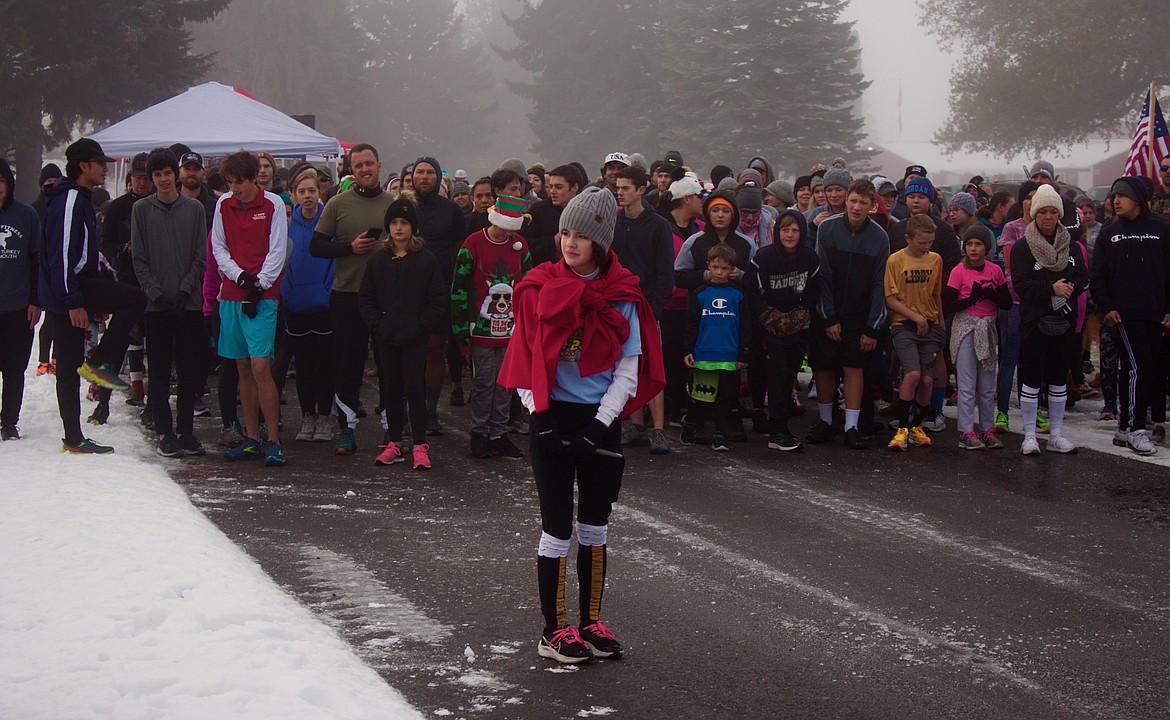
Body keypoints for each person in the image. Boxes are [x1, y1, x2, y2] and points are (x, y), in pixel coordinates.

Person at [498, 185, 664, 665]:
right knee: (556, 529)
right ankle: (554, 630)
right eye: (564, 232)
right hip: (550, 418)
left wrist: (599, 426)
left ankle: (590, 621)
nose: (569, 243)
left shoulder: (622, 294)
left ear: (601, 242)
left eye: (581, 236)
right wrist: (542, 415)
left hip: (600, 422)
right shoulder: (537, 285)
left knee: (594, 525)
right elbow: (525, 360)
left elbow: (628, 372)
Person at [40, 138, 146, 453]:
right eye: (100, 164)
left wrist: (94, 298)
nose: (105, 169)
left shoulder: (79, 198)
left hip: (76, 287)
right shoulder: (71, 198)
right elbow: (60, 255)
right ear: (84, 166)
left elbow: (85, 253)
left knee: (70, 365)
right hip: (70, 289)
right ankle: (99, 362)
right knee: (135, 299)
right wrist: (73, 300)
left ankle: (74, 437)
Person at [310, 144, 393, 455]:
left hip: (387, 297)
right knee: (347, 365)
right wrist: (349, 248)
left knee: (389, 364)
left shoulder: (395, 203)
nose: (365, 169)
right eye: (358, 165)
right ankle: (346, 428)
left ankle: (392, 427)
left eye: (369, 163)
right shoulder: (337, 203)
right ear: (350, 170)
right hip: (347, 295)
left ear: (379, 165)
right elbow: (316, 247)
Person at [211, 150, 288, 466]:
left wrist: (259, 283)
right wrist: (239, 276)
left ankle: (273, 440)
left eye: (239, 182)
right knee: (242, 366)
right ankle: (252, 438)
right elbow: (219, 246)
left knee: (260, 367)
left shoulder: (274, 204)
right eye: (229, 183)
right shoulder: (222, 204)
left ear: (254, 178)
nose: (234, 189)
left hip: (264, 296)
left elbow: (278, 249)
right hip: (231, 292)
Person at [359, 191, 447, 470]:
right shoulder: (378, 261)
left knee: (415, 389)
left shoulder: (426, 260)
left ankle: (419, 445)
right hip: (386, 337)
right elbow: (366, 298)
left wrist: (421, 327)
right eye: (394, 222)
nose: (399, 227)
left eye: (405, 222)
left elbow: (437, 299)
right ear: (388, 226)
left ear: (413, 227)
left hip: (414, 338)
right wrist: (377, 325)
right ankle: (394, 442)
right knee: (391, 390)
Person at [131, 148, 207, 457]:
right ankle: (164, 430)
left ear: (175, 174)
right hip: (156, 306)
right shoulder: (141, 210)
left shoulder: (195, 210)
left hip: (187, 304)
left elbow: (200, 258)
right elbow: (139, 259)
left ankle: (186, 431)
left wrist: (185, 290)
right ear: (151, 178)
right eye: (157, 175)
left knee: (190, 371)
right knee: (159, 371)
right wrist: (156, 293)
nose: (163, 180)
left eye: (166, 173)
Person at [805, 179, 889, 450]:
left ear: (872, 206)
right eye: (853, 200)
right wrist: (828, 317)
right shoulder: (827, 228)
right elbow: (822, 275)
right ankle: (826, 421)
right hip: (828, 311)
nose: (856, 206)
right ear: (846, 199)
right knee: (824, 366)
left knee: (854, 367)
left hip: (860, 314)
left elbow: (880, 284)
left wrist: (873, 327)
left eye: (863, 203)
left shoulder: (880, 237)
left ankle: (852, 426)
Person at [1091, 176, 1170, 456]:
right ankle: (1137, 428)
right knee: (1140, 366)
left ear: (1138, 198)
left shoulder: (1161, 229)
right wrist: (1107, 306)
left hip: (1155, 312)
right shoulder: (1109, 233)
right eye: (1114, 196)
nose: (1115, 201)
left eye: (1122, 196)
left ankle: (1124, 427)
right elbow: (1098, 276)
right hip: (1123, 315)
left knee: (1135, 369)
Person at [452, 194, 531, 460]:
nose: (508, 234)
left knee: (505, 384)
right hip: (480, 329)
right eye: (504, 227)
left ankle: (498, 433)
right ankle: (478, 434)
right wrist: (461, 330)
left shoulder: (521, 245)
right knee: (484, 381)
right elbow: (459, 289)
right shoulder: (472, 244)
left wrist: (527, 325)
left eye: (512, 229)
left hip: (511, 330)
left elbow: (530, 286)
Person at [1010, 184, 1087, 456]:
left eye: (1053, 211)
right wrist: (1050, 288)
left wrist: (1069, 288)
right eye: (1042, 211)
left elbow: (1082, 278)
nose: (1047, 217)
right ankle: (1029, 435)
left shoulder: (1071, 246)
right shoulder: (1022, 247)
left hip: (1064, 321)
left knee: (1057, 378)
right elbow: (1020, 284)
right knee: (1031, 379)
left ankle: (1056, 434)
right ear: (1033, 213)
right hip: (1034, 321)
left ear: (1059, 214)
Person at [611, 165, 675, 454]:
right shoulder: (613, 221)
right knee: (625, 365)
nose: (620, 193)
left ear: (640, 190)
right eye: (618, 187)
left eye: (625, 188)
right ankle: (635, 424)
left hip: (647, 306)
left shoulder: (658, 224)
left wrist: (656, 308)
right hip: (618, 305)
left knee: (652, 366)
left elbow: (665, 272)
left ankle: (658, 429)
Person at [745, 209, 819, 451]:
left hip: (796, 328)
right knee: (777, 377)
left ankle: (781, 428)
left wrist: (801, 313)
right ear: (777, 232)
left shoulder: (809, 258)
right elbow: (752, 293)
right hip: (769, 329)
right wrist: (768, 315)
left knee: (789, 377)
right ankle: (776, 433)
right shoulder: (763, 258)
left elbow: (813, 291)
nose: (789, 234)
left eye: (795, 230)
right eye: (785, 230)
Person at [411, 156, 467, 434]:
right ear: (412, 177)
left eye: (430, 172)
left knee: (435, 350)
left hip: (441, 288)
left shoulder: (451, 210)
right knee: (410, 352)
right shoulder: (403, 208)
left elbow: (459, 248)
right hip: (407, 290)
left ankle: (430, 413)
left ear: (438, 178)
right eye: (419, 172)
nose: (424, 177)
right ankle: (411, 411)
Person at [944, 225, 1011, 450]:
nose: (973, 249)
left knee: (986, 383)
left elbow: (1007, 302)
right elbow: (949, 304)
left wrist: (992, 293)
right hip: (966, 327)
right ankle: (965, 430)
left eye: (978, 244)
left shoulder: (994, 270)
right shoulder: (958, 271)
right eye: (969, 244)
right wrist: (971, 299)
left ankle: (987, 429)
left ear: (986, 248)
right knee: (966, 382)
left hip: (987, 329)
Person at [282, 169, 335, 444]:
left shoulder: (330, 220)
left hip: (324, 305)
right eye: (301, 191)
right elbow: (283, 260)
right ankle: (307, 417)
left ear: (320, 192)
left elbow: (335, 260)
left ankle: (325, 419)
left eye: (311, 191)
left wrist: (326, 293)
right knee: (303, 365)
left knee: (325, 364)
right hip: (295, 305)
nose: (307, 196)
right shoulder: (287, 224)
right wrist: (287, 293)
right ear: (294, 195)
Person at [884, 214, 945, 451]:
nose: (926, 247)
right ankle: (902, 428)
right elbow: (890, 299)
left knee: (928, 380)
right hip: (904, 325)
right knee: (912, 375)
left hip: (930, 326)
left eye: (930, 242)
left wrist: (940, 324)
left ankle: (918, 426)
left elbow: (936, 294)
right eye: (922, 242)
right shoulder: (895, 261)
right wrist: (915, 317)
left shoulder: (936, 260)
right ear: (908, 238)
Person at [99, 152, 153, 410]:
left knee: (156, 345)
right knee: (119, 342)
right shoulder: (118, 207)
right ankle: (104, 401)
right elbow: (105, 245)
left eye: (146, 178)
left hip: (155, 283)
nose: (142, 183)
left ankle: (152, 401)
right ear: (130, 178)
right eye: (137, 178)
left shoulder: (159, 204)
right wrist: (124, 248)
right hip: (127, 283)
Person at [684, 243, 750, 452]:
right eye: (715, 267)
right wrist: (688, 350)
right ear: (708, 267)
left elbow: (745, 327)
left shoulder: (739, 295)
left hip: (730, 356)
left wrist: (743, 353)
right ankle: (692, 423)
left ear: (732, 269)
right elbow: (691, 325)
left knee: (727, 397)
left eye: (725, 268)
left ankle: (720, 433)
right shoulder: (699, 294)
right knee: (703, 397)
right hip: (704, 355)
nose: (720, 272)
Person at [0, 158, 42, 440]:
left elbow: (37, 261)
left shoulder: (26, 216)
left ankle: (8, 422)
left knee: (14, 369)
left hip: (17, 307)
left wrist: (35, 300)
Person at [522, 164, 583, 267]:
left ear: (574, 187)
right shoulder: (538, 210)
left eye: (558, 187)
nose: (552, 191)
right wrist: (552, 242)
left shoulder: (586, 213)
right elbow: (523, 243)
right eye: (551, 186)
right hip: (545, 272)